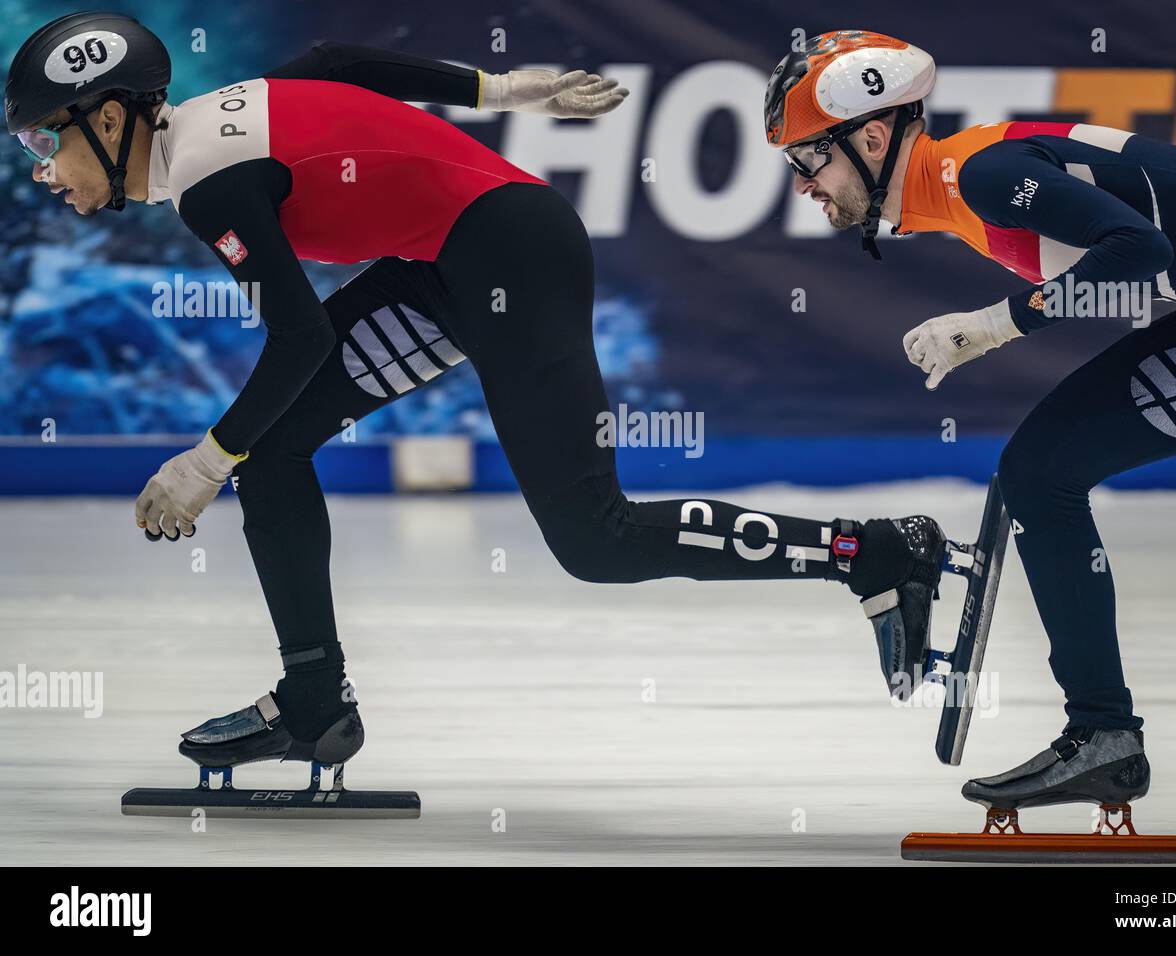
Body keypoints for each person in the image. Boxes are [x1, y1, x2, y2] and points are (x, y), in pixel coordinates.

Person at [7, 12, 947, 784]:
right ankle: (313, 704)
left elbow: (301, 337)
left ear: (114, 118)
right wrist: (507, 90)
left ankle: (873, 553)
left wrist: (205, 461)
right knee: (278, 445)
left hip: (509, 253)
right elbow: (340, 64)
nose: (45, 169)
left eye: (49, 139)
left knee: (595, 540)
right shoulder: (222, 117)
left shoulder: (214, 185)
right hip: (455, 260)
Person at [766, 28, 1176, 828]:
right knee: (1038, 473)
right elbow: (1145, 254)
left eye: (809, 158)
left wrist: (995, 323)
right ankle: (1103, 736)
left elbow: (1137, 247)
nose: (804, 184)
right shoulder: (955, 190)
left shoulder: (978, 174)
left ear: (873, 137)